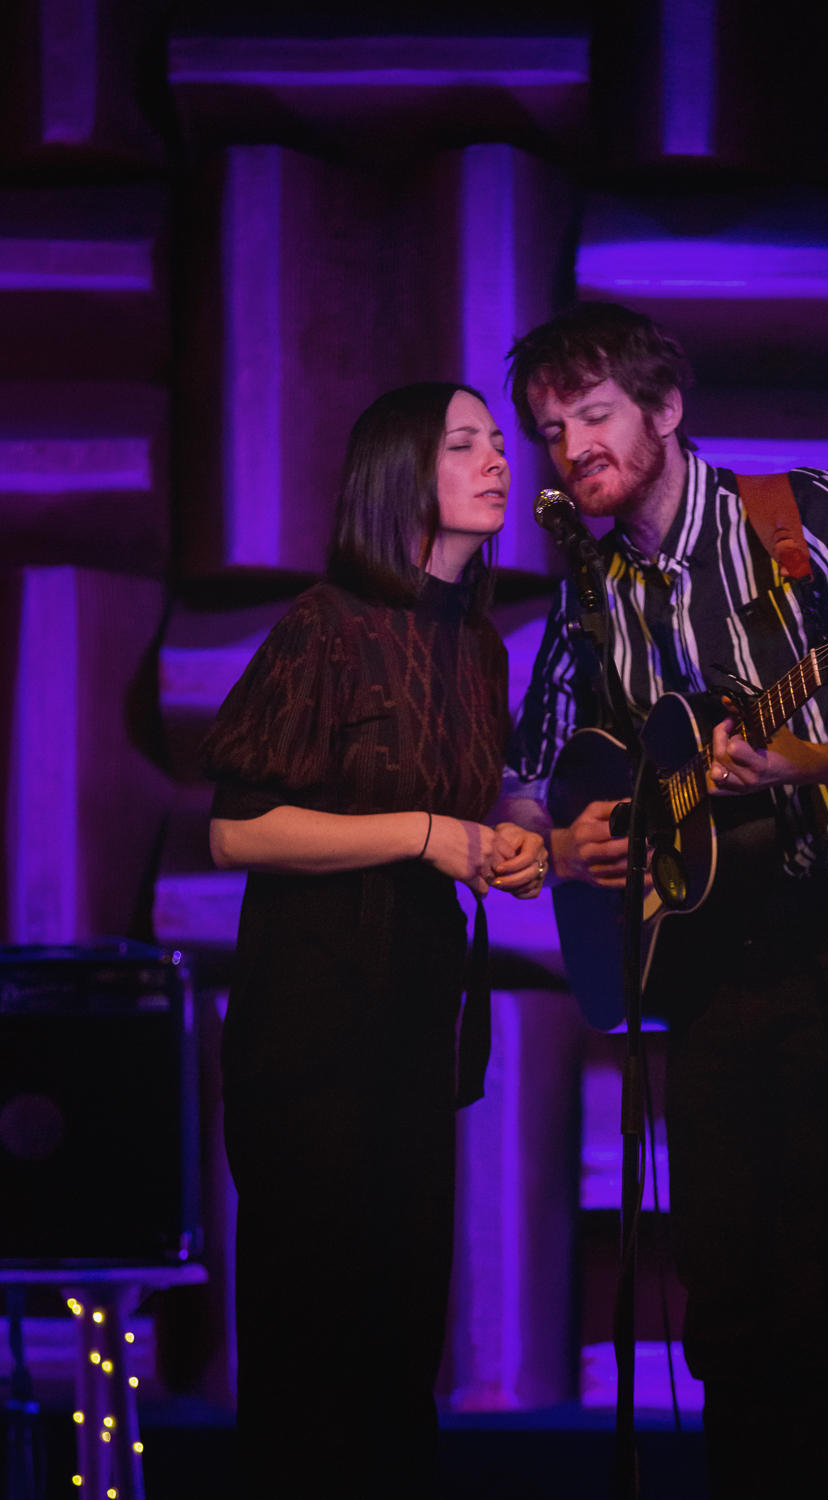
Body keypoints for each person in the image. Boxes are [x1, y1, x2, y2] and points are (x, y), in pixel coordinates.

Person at [501, 303, 828, 1497]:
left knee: (818, 1291)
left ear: (665, 409)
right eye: (551, 431)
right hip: (706, 961)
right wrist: (567, 842)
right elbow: (527, 763)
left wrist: (801, 761)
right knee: (725, 1295)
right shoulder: (593, 584)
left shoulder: (799, 518)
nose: (572, 449)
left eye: (592, 417)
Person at [201, 383, 547, 1500]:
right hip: (311, 1035)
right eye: (466, 444)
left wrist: (506, 843)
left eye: (499, 442)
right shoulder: (324, 625)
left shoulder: (479, 650)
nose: (498, 459)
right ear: (403, 474)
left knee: (402, 1345)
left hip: (414, 1029)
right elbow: (236, 828)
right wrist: (429, 834)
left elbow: (471, 810)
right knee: (316, 1353)